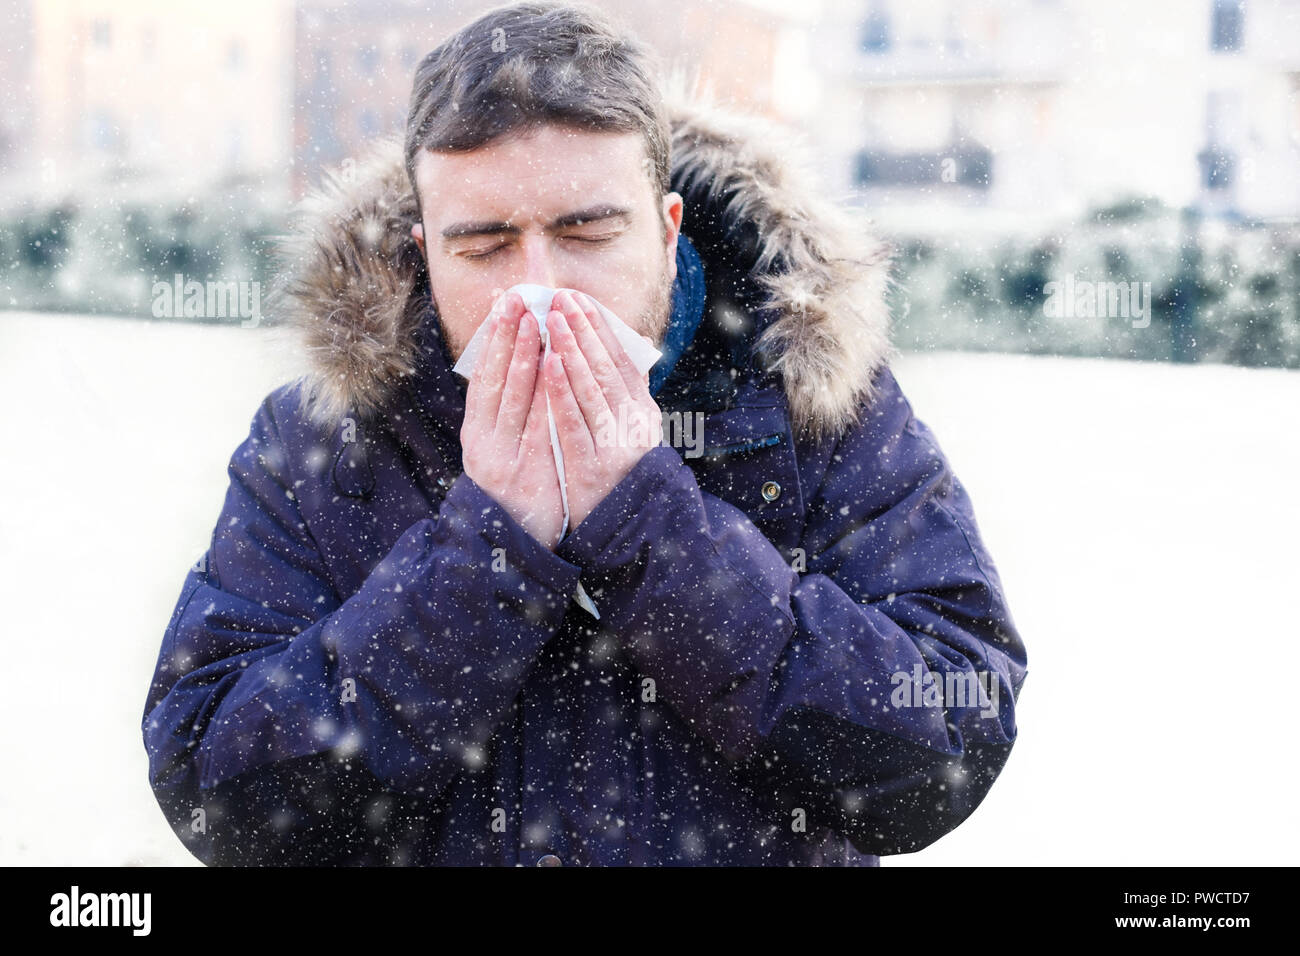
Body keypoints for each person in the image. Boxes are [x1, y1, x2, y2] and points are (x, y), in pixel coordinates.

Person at [141, 0, 1028, 866]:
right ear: (425, 248)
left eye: (588, 231)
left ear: (666, 224)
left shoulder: (817, 405)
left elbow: (949, 739)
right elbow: (217, 795)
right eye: (484, 246)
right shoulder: (325, 441)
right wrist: (486, 551)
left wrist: (648, 522)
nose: (541, 286)